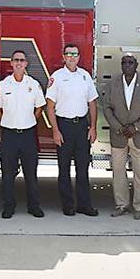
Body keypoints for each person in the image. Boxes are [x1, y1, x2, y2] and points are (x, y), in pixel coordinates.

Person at [46, 44, 99, 217]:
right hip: (64, 127)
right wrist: (55, 130)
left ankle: (84, 205)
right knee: (64, 169)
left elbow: (92, 103)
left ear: (78, 57)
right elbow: (50, 106)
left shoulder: (85, 76)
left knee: (83, 169)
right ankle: (68, 205)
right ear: (63, 57)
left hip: (82, 127)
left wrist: (93, 127)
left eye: (74, 54)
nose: (71, 57)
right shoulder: (57, 77)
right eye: (68, 54)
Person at [0, 50, 46, 219]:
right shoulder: (4, 85)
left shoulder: (33, 84)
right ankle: (8, 206)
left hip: (28, 134)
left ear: (26, 64)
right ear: (11, 63)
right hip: (9, 135)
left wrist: (28, 120)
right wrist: (7, 122)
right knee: (8, 174)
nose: (19, 63)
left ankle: (34, 206)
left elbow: (39, 107)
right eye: (16, 60)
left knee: (31, 174)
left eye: (22, 60)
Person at [102, 53, 140, 220]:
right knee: (118, 172)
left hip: (139, 136)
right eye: (124, 62)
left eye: (130, 62)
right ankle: (121, 205)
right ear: (121, 65)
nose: (127, 65)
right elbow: (106, 108)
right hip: (119, 136)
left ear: (136, 65)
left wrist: (136, 127)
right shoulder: (112, 84)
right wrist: (119, 128)